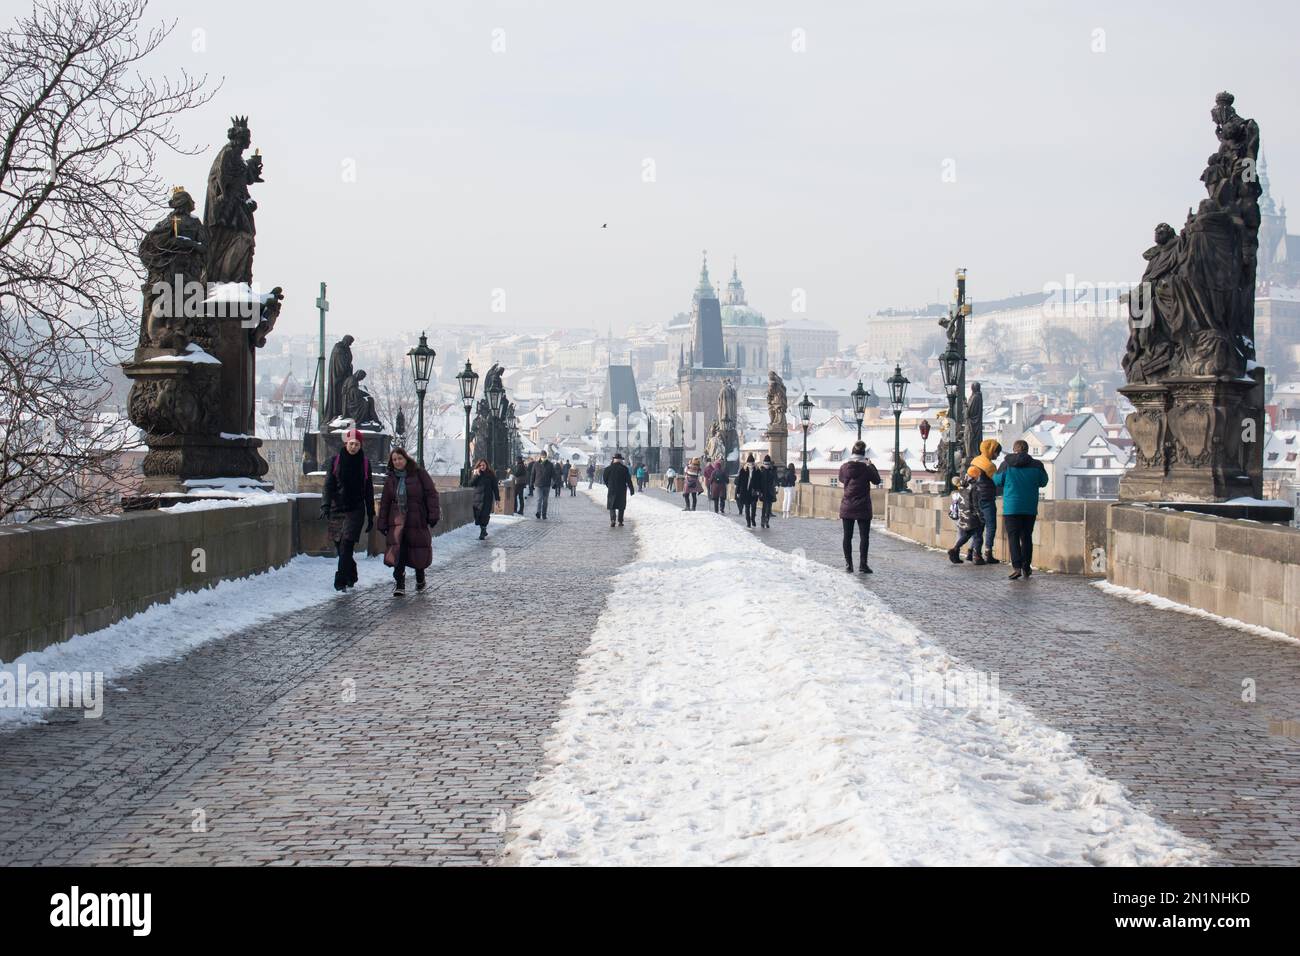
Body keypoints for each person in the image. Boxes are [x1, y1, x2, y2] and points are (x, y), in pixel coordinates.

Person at [377, 446, 440, 595]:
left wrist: (433, 515)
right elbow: (385, 502)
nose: (397, 462)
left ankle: (420, 578)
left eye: (400, 458)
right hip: (397, 521)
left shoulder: (419, 474)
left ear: (406, 459)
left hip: (417, 519)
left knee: (418, 550)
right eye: (394, 460)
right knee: (399, 551)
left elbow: (431, 494)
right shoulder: (391, 479)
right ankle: (399, 583)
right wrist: (382, 522)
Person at [320, 428, 374, 591]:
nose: (354, 447)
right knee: (339, 545)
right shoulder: (335, 461)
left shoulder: (365, 463)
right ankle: (351, 573)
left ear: (360, 445)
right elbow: (328, 485)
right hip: (337, 508)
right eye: (351, 444)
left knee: (346, 545)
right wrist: (325, 504)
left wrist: (371, 514)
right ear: (346, 443)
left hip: (355, 509)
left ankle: (340, 580)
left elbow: (368, 490)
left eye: (357, 444)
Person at [993, 439, 1049, 580]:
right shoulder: (1037, 465)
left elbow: (997, 481)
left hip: (1011, 508)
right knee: (1026, 537)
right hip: (1029, 508)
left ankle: (1016, 567)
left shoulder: (1006, 464)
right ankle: (1026, 567)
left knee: (1013, 537)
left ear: (1014, 449)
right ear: (1027, 450)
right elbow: (1044, 482)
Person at [838, 440, 882, 572]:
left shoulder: (845, 467)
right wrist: (871, 465)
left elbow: (841, 479)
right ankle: (863, 564)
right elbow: (877, 480)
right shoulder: (867, 468)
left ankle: (848, 565)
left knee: (847, 536)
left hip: (847, 505)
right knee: (864, 537)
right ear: (864, 453)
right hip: (863, 506)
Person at [967, 439, 1003, 565]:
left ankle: (973, 551)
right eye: (996, 452)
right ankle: (988, 552)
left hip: (974, 497)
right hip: (986, 497)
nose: (997, 455)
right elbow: (997, 481)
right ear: (991, 450)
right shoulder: (989, 466)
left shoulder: (975, 461)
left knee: (978, 525)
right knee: (991, 525)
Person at [946, 473, 985, 566]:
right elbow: (975, 504)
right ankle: (977, 557)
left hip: (963, 516)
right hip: (972, 517)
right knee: (978, 537)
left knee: (967, 535)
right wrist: (981, 516)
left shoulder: (960, 490)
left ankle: (955, 550)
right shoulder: (973, 489)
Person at [469, 458, 500, 539]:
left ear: (486, 466)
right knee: (478, 516)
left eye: (483, 465)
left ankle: (483, 531)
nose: (482, 467)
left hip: (487, 498)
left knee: (485, 515)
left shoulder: (491, 475)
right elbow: (471, 484)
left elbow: (495, 487)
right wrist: (476, 475)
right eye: (480, 465)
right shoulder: (476, 474)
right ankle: (483, 529)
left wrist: (497, 499)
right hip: (477, 498)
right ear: (478, 466)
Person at [603, 451, 636, 527]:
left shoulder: (608, 469)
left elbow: (605, 479)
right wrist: (631, 489)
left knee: (612, 505)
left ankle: (613, 520)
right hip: (621, 490)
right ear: (621, 460)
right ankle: (620, 521)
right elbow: (628, 480)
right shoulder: (624, 469)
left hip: (612, 489)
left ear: (614, 459)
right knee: (621, 506)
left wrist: (609, 485)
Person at [735, 453, 759, 528]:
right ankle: (748, 521)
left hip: (754, 492)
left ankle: (753, 519)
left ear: (754, 463)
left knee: (754, 507)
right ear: (747, 463)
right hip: (745, 492)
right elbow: (739, 482)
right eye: (749, 463)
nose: (750, 465)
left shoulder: (757, 471)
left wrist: (759, 490)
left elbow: (760, 482)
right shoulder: (743, 470)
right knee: (747, 508)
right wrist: (738, 492)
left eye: (752, 463)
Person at [757, 454, 779, 529]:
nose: (766, 465)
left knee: (769, 508)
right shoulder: (761, 471)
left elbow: (776, 480)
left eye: (768, 464)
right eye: (765, 463)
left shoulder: (772, 471)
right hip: (763, 491)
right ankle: (763, 521)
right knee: (764, 507)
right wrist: (759, 490)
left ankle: (767, 521)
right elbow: (759, 482)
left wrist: (776, 486)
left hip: (770, 491)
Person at [531, 452, 555, 519]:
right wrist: (531, 484)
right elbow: (533, 474)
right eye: (542, 456)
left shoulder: (550, 464)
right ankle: (538, 512)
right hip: (538, 484)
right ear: (540, 456)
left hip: (546, 484)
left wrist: (555, 482)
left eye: (544, 456)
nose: (543, 457)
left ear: (546, 456)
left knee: (545, 500)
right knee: (539, 499)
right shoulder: (536, 464)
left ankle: (544, 514)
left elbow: (553, 474)